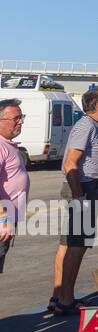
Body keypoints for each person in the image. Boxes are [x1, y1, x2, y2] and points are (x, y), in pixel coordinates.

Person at [51, 88, 98, 315]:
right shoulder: (86, 126)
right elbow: (70, 163)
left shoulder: (91, 126)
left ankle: (58, 296)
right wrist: (79, 195)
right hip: (82, 188)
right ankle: (65, 300)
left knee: (69, 244)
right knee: (76, 246)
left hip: (84, 188)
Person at [0, 99, 30, 274]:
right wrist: (3, 218)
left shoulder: (8, 145)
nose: (21, 122)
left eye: (21, 117)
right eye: (16, 118)